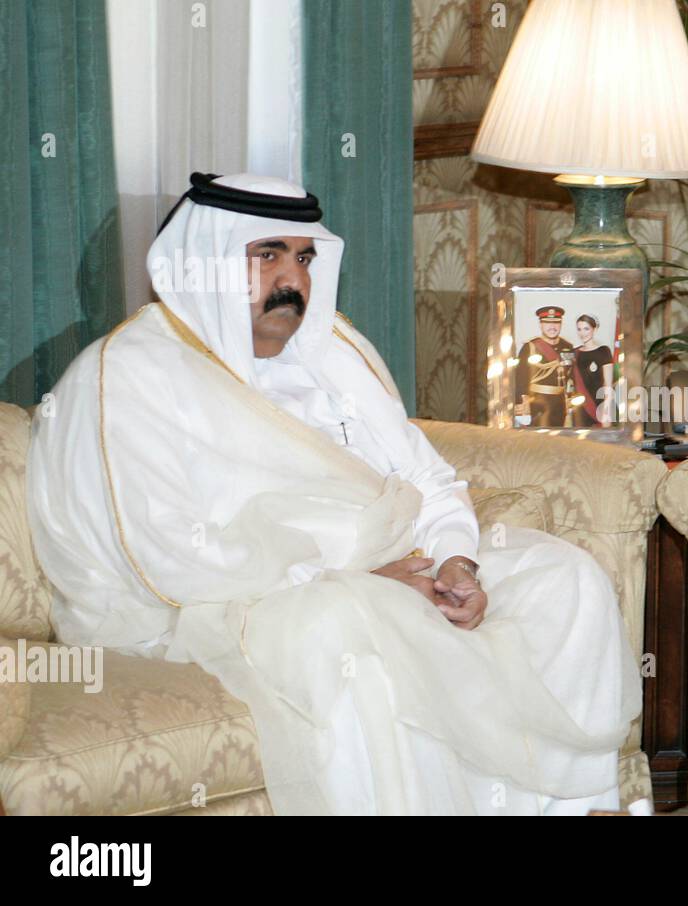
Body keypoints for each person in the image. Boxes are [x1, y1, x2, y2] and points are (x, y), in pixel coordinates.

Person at [26, 172, 640, 815]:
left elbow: (427, 478)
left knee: (565, 576)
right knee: (347, 623)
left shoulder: (332, 350)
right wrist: (358, 579)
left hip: (391, 565)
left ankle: (575, 808)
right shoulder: (132, 373)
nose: (292, 279)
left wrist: (458, 559)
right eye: (266, 256)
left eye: (304, 257)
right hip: (225, 601)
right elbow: (168, 556)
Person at [514, 306, 574, 427]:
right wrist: (521, 403)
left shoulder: (567, 347)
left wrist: (570, 398)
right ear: (540, 324)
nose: (552, 327)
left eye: (556, 323)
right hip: (538, 402)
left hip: (560, 404)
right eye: (547, 322)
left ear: (561, 324)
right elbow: (519, 379)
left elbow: (569, 375)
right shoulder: (530, 347)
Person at [572, 314, 614, 427]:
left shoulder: (603, 351)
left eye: (586, 329)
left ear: (594, 330)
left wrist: (606, 409)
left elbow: (608, 385)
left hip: (598, 404)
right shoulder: (574, 353)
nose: (582, 333)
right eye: (579, 329)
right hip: (579, 407)